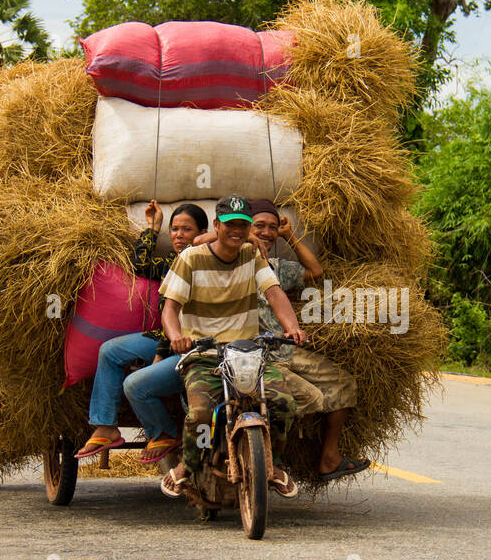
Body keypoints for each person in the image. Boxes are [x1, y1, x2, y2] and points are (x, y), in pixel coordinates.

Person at [158, 194, 305, 500]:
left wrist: (292, 327)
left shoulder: (252, 255)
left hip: (247, 354)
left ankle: (273, 465)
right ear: (217, 226)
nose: (237, 230)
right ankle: (188, 465)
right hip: (204, 355)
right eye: (230, 224)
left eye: (243, 224)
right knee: (199, 413)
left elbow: (275, 293)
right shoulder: (191, 258)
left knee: (283, 404)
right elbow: (170, 309)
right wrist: (176, 336)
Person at [245, 200, 369, 481]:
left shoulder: (275, 268)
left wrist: (290, 235)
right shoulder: (227, 261)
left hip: (284, 350)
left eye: (272, 228)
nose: (266, 232)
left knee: (344, 382)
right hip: (248, 354)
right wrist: (245, 237)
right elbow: (199, 243)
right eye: (259, 226)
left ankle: (328, 458)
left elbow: (315, 273)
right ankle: (260, 454)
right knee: (286, 400)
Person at [75, 201, 208, 459]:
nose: (179, 235)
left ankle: (162, 432)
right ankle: (106, 426)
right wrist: (152, 227)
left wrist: (160, 353)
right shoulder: (172, 260)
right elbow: (141, 264)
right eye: (175, 229)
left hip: (187, 342)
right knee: (110, 351)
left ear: (202, 232)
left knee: (136, 384)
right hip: (163, 337)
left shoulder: (208, 262)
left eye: (187, 230)